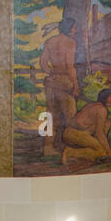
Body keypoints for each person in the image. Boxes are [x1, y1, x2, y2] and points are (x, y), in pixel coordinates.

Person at [40, 15, 78, 156]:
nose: (75, 30)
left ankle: (48, 147)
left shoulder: (49, 41)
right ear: (69, 28)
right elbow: (70, 66)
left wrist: (52, 73)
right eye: (74, 27)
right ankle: (71, 147)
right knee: (70, 117)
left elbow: (43, 63)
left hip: (51, 82)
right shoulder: (70, 43)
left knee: (51, 116)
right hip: (65, 82)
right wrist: (75, 85)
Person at [61, 88, 111, 169]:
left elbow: (98, 130)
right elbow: (99, 133)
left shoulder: (92, 105)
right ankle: (70, 152)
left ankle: (80, 156)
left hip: (71, 132)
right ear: (104, 98)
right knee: (102, 153)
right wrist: (109, 150)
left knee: (107, 122)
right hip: (74, 134)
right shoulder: (102, 110)